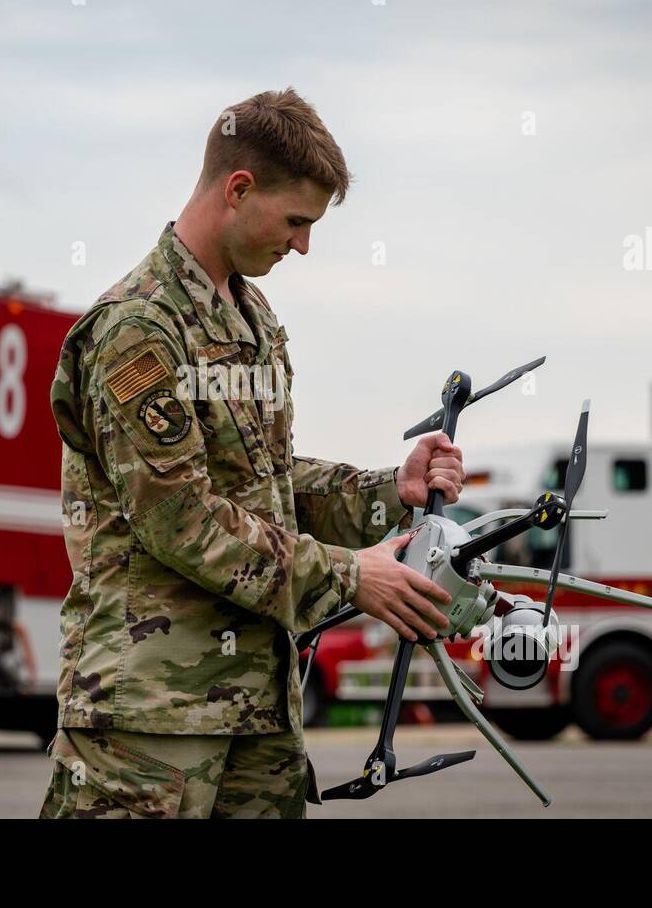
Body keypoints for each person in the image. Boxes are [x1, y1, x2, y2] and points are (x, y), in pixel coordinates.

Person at [39, 87, 464, 818]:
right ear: (239, 189)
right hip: (151, 721)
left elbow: (265, 481)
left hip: (256, 713)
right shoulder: (138, 329)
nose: (302, 245)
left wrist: (392, 488)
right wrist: (346, 576)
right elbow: (180, 517)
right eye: (297, 221)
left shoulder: (251, 316)